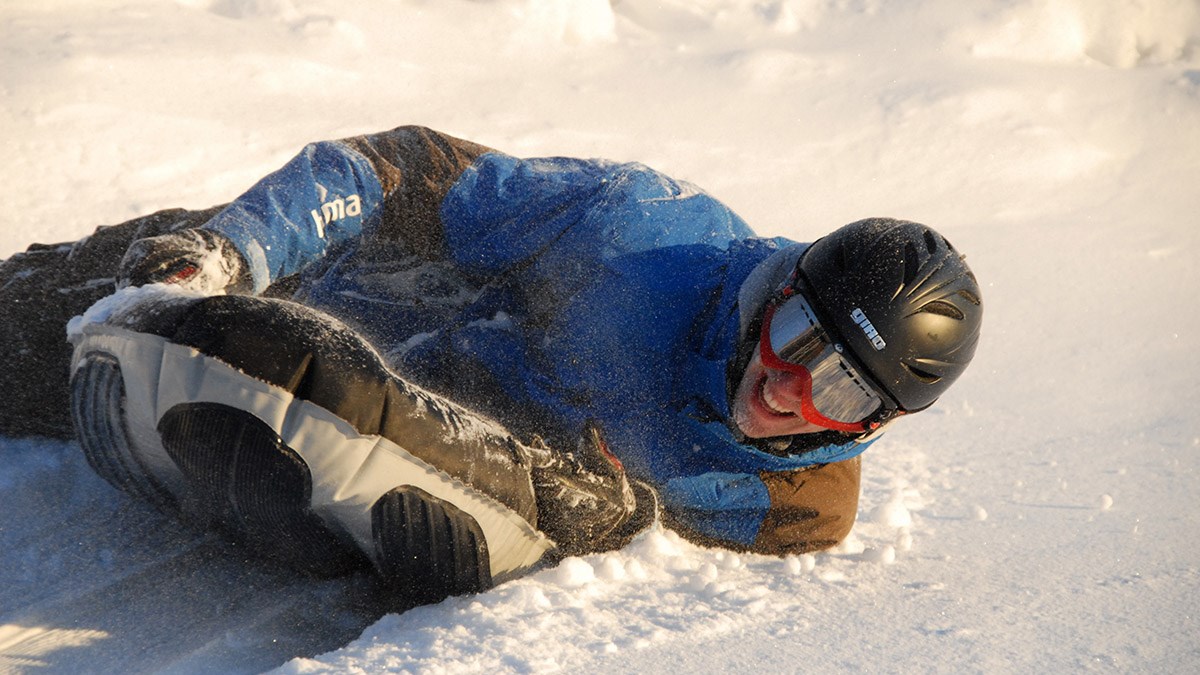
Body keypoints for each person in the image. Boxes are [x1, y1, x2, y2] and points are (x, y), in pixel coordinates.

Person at [0, 125, 982, 608]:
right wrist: (231, 251)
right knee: (41, 315)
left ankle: (299, 454)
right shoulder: (641, 236)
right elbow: (393, 173)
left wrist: (635, 523)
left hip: (456, 439)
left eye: (841, 385)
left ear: (873, 425)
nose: (789, 382)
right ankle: (192, 337)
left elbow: (675, 572)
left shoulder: (799, 508)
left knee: (522, 502)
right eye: (801, 335)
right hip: (358, 296)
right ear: (779, 294)